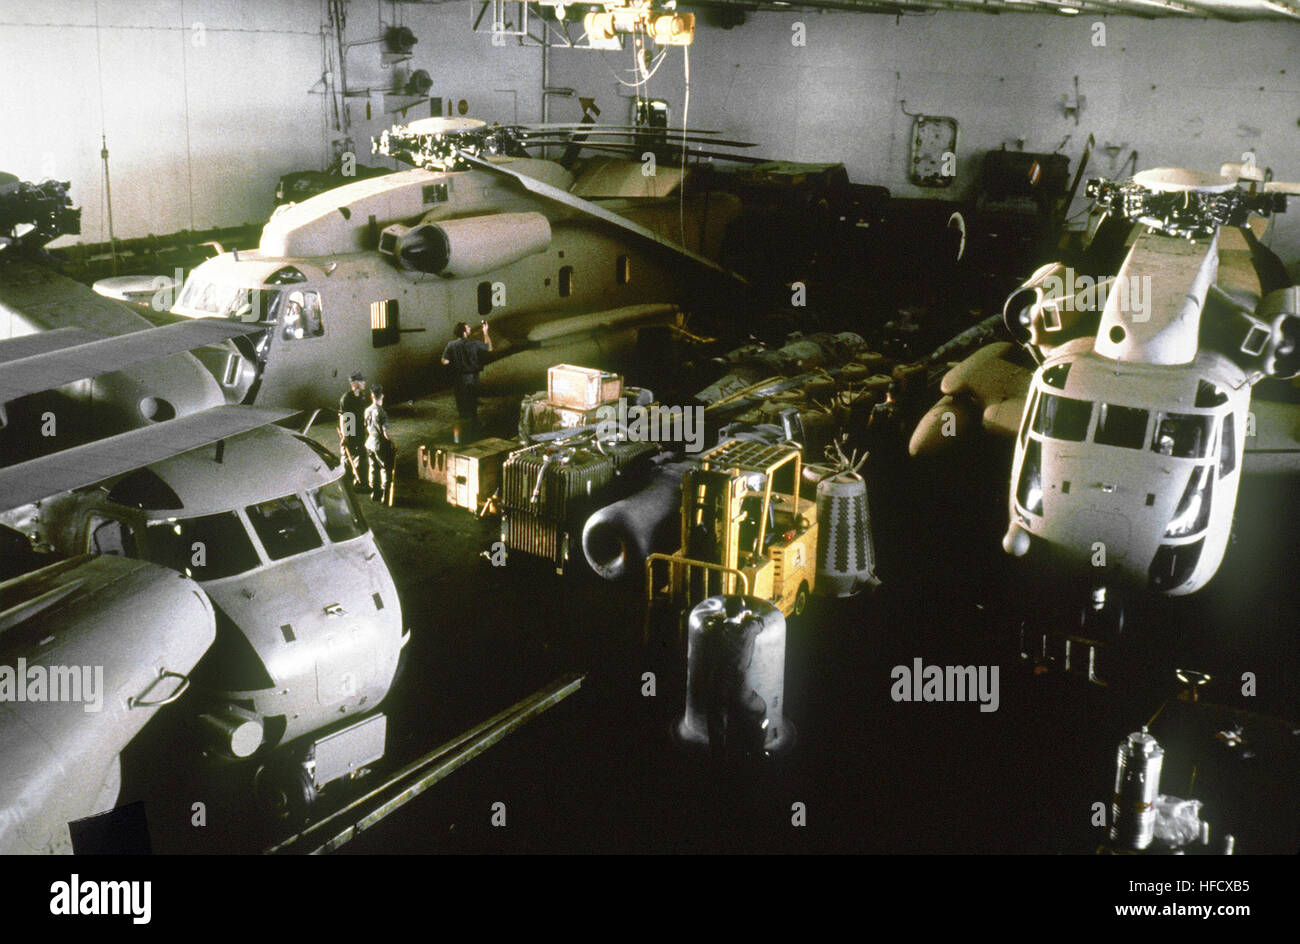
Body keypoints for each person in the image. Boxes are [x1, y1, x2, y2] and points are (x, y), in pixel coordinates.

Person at [441, 320, 492, 442]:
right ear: (464, 332)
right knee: (472, 406)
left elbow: (444, 361)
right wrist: (486, 332)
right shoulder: (473, 343)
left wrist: (456, 360)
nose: (470, 329)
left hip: (458, 378)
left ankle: (463, 434)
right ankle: (473, 434)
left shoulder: (451, 345)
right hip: (472, 377)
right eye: (468, 328)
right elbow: (489, 348)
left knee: (462, 407)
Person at [338, 372, 369, 492]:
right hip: (350, 428)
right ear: (354, 383)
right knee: (348, 456)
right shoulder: (346, 398)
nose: (364, 383)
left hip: (360, 429)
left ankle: (360, 483)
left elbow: (365, 415)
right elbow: (343, 416)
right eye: (362, 381)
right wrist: (344, 436)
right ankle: (346, 483)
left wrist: (368, 431)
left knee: (361, 455)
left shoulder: (363, 396)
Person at [364, 384, 395, 504]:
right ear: (381, 396)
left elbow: (367, 427)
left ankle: (374, 493)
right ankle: (385, 496)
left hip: (370, 443)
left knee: (373, 468)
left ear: (371, 396)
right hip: (380, 444)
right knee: (385, 468)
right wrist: (392, 443)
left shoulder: (367, 410)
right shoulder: (381, 412)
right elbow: (385, 433)